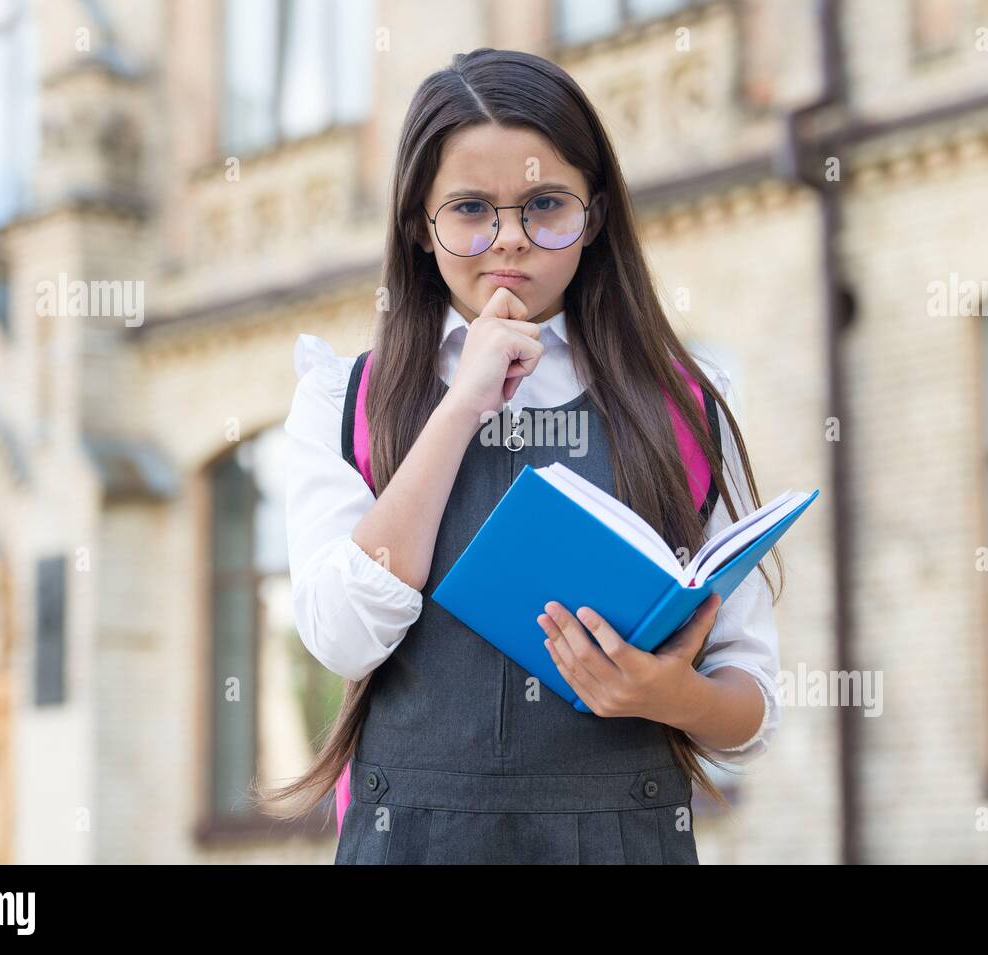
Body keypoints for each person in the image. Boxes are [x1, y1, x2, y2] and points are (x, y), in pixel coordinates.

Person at [260, 48, 786, 864]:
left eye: (546, 204)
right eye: (471, 208)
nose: (510, 241)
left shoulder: (684, 406)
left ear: (595, 215)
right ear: (417, 225)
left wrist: (673, 694)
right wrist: (463, 401)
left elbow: (751, 703)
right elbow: (341, 635)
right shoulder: (344, 401)